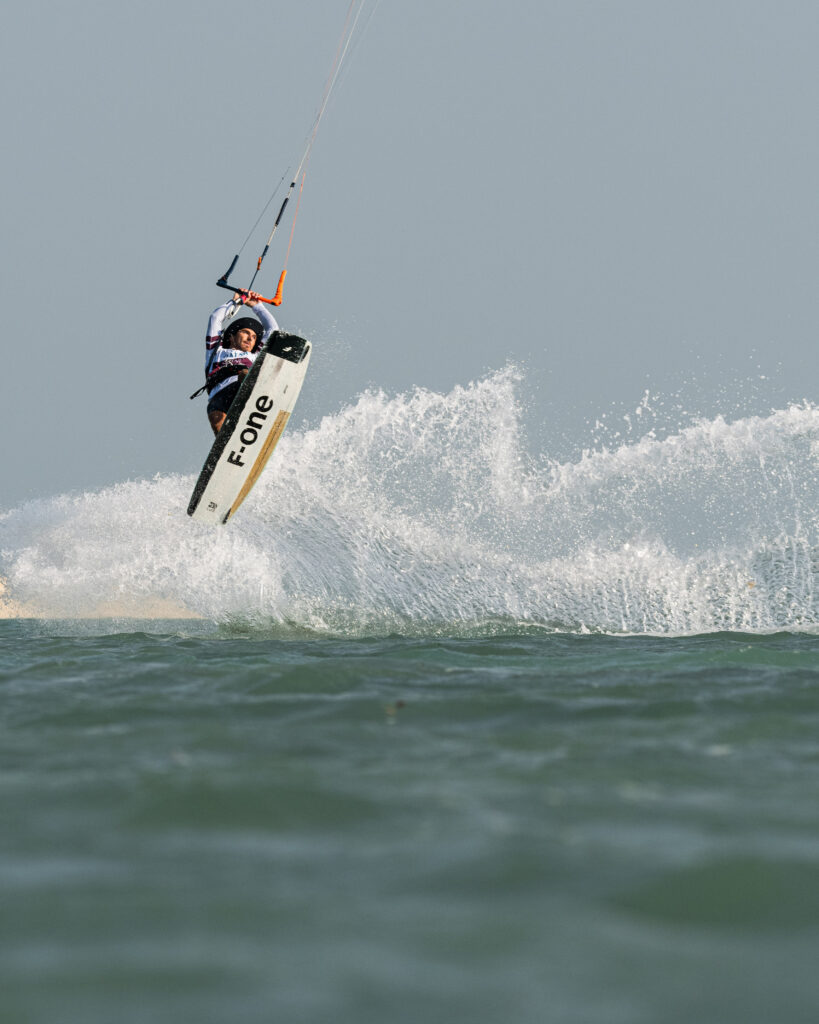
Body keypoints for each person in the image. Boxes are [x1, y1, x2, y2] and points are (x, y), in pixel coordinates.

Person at [204, 291, 279, 434]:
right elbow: (215, 318)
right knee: (216, 418)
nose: (250, 338)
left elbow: (273, 330)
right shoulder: (215, 351)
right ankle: (225, 446)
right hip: (218, 395)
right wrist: (236, 301)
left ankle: (257, 402)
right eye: (245, 332)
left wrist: (257, 306)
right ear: (231, 337)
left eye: (254, 336)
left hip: (243, 385)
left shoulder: (254, 355)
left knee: (245, 373)